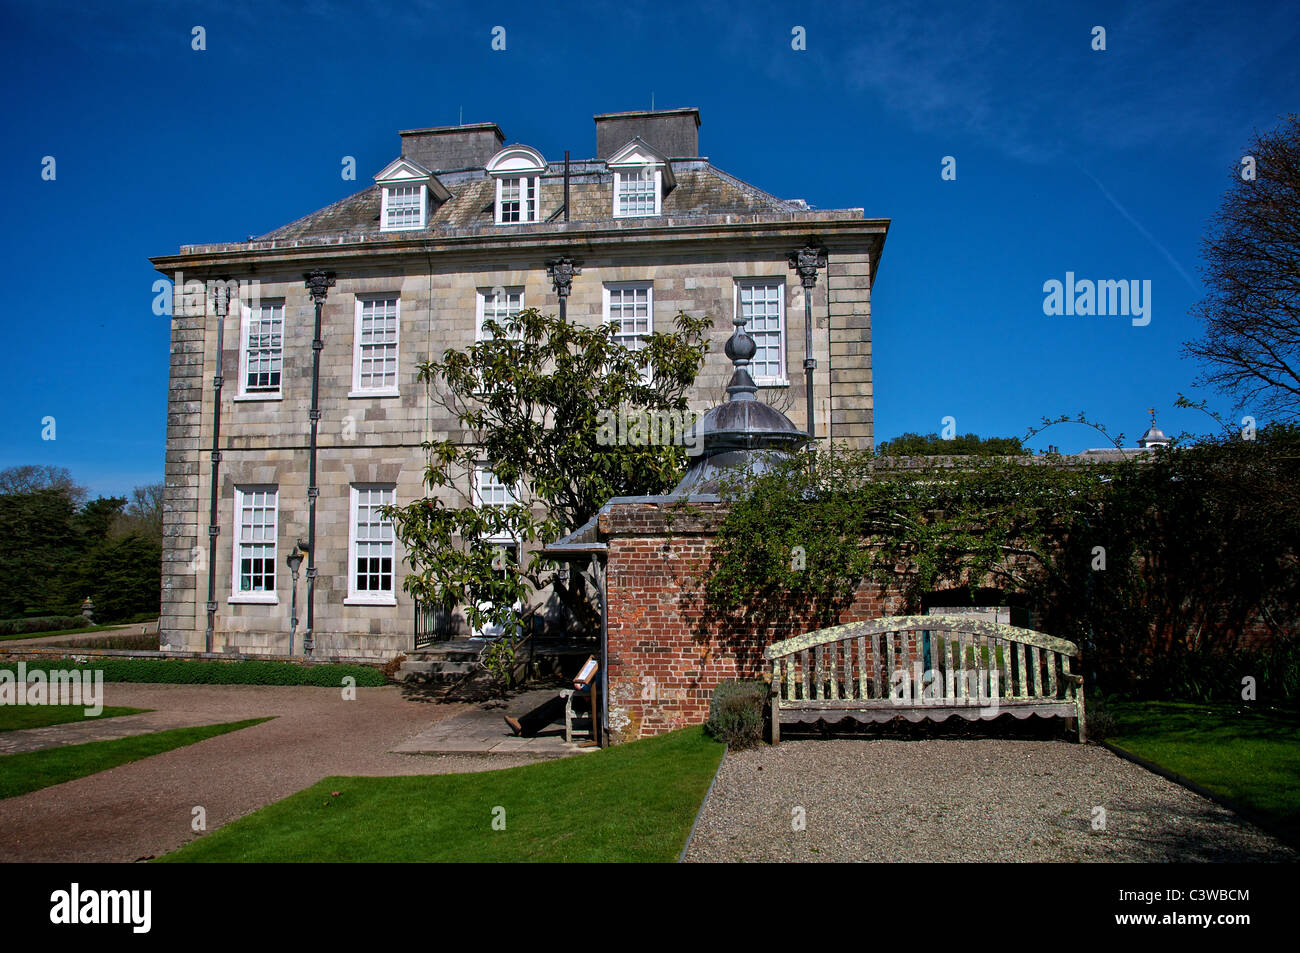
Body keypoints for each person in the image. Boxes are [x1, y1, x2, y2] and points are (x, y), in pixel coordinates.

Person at [505, 656, 599, 737]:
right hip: (584, 697)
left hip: (587, 700)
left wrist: (578, 685)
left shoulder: (602, 671)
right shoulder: (601, 668)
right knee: (552, 704)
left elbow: (588, 689)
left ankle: (525, 729)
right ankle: (521, 723)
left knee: (555, 708)